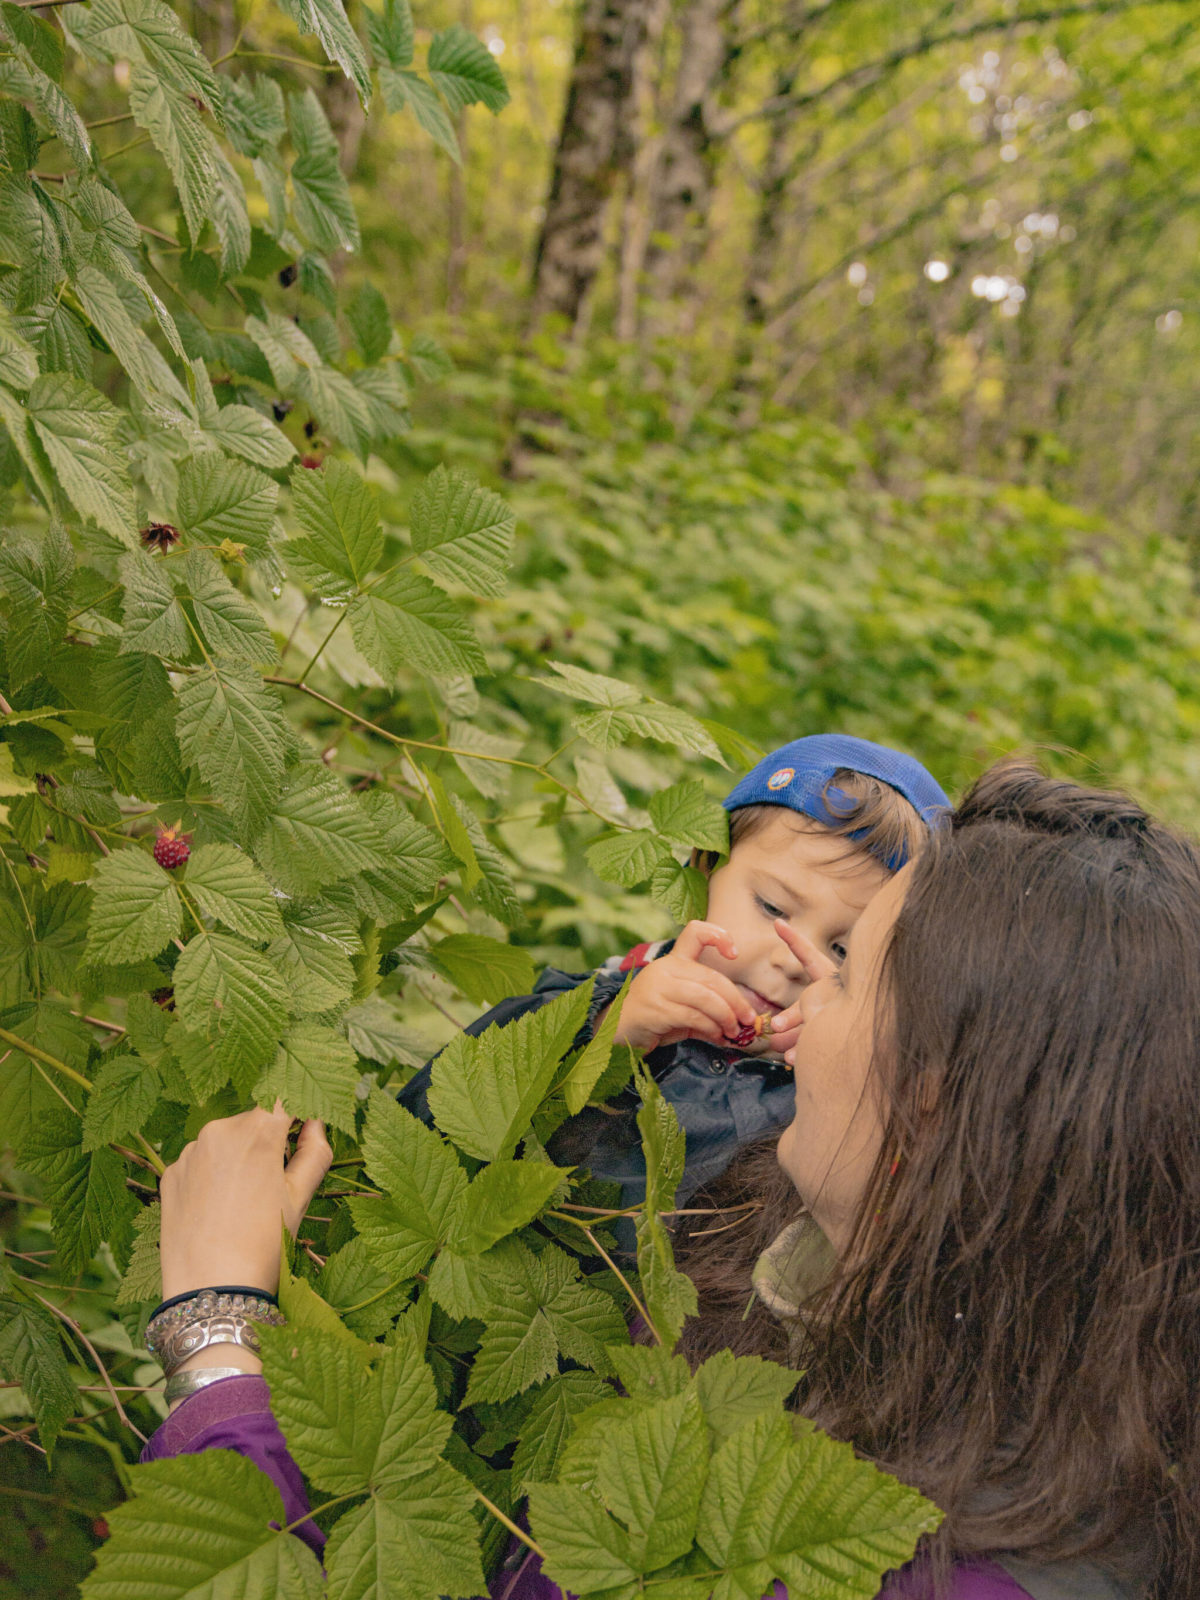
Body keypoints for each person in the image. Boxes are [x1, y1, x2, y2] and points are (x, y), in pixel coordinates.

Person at [138, 761, 1200, 1599]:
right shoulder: (829, 1274)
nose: (800, 992)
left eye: (847, 973)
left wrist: (219, 1339)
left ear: (926, 1105)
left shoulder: (917, 1565)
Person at [401, 733, 950, 1209]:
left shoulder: (835, 1111)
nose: (791, 959)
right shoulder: (608, 998)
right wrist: (601, 1034)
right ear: (704, 869)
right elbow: (422, 1125)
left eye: (844, 951)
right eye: (773, 908)